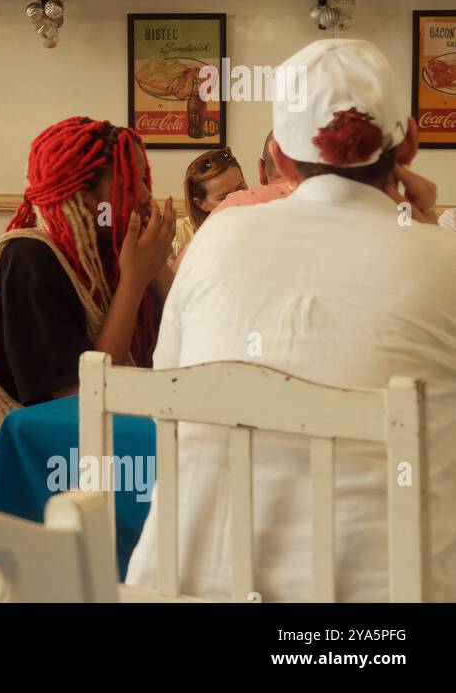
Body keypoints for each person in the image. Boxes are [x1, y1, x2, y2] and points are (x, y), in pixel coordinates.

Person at [127, 39, 456, 601]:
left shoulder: (217, 239)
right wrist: (427, 230)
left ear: (277, 159)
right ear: (410, 146)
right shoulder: (443, 259)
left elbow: (169, 393)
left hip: (181, 592)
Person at [0, 118, 175, 520]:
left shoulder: (104, 263)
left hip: (78, 464)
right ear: (82, 196)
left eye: (144, 178)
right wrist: (134, 281)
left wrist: (156, 266)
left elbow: (184, 338)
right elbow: (86, 401)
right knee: (156, 514)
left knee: (178, 508)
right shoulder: (26, 259)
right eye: (130, 183)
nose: (146, 194)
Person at [172, 146, 247, 264]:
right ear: (201, 204)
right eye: (224, 197)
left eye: (241, 188)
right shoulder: (180, 236)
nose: (239, 200)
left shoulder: (261, 224)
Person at [209, 132, 295, 215]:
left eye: (241, 188)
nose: (235, 195)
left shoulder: (225, 211)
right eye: (223, 197)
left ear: (262, 170)